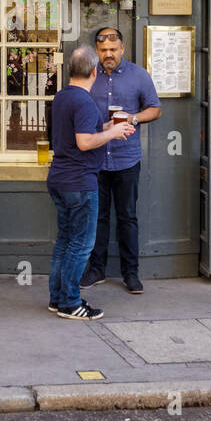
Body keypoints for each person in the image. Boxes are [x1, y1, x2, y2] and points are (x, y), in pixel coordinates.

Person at [48, 46, 137, 320]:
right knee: (81, 244)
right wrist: (111, 135)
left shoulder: (62, 96)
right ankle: (71, 302)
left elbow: (80, 134)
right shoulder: (84, 101)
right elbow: (84, 142)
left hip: (60, 178)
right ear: (94, 72)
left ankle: (58, 297)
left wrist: (111, 128)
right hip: (80, 181)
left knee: (64, 240)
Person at [80, 27, 162, 294]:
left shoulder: (139, 75)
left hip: (127, 159)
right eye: (103, 51)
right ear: (97, 51)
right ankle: (97, 270)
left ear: (122, 49)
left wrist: (133, 118)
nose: (108, 55)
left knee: (127, 217)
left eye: (113, 50)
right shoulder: (89, 76)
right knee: (98, 218)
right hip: (96, 159)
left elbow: (155, 109)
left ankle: (131, 274)